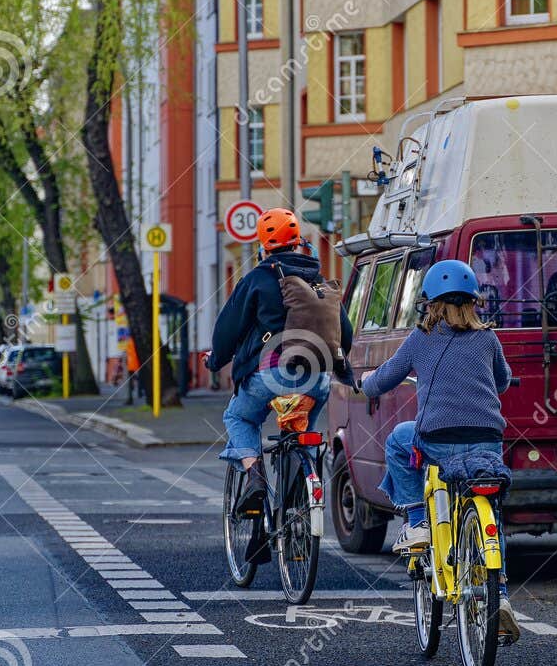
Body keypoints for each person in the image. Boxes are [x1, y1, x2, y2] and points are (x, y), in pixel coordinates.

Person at [359, 259, 519, 643]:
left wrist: (365, 382)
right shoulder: (488, 338)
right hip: (485, 440)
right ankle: (499, 594)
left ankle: (416, 522)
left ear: (429, 303)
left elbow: (384, 379)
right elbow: (503, 381)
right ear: (472, 301)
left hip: (438, 440)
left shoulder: (420, 338)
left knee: (399, 439)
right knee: (490, 510)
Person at [208, 207, 353, 514]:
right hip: (317, 379)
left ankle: (255, 477)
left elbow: (227, 330)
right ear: (298, 239)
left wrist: (215, 361)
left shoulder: (257, 280)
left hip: (270, 376)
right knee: (301, 435)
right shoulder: (318, 281)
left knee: (239, 418)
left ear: (263, 244)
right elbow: (345, 333)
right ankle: (296, 505)